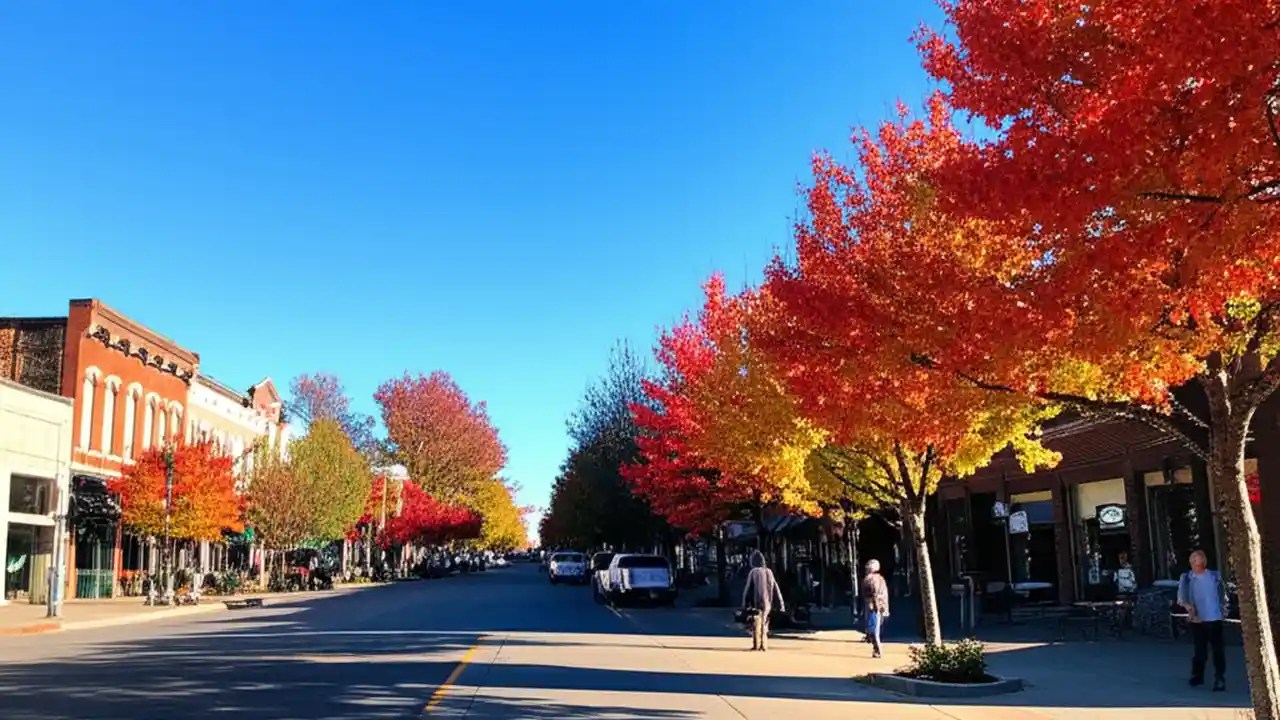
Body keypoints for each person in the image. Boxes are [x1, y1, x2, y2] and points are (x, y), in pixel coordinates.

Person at [1177, 549, 1228, 691]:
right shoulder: (1187, 578)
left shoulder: (1214, 576)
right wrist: (1189, 607)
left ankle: (1220, 678)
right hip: (1198, 619)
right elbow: (1181, 598)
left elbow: (1223, 595)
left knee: (1218, 651)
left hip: (1215, 618)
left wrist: (1224, 610)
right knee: (1200, 651)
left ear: (1203, 562)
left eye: (1195, 560)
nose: (1193, 562)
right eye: (1191, 560)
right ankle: (1197, 675)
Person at [741, 550, 785, 652]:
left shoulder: (753, 572)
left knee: (756, 624)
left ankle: (757, 645)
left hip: (756, 602)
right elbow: (776, 588)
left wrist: (744, 604)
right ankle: (764, 645)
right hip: (767, 602)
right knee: (764, 623)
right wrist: (780, 604)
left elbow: (748, 589)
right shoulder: (769, 572)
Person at [861, 559, 889, 658]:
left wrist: (876, 606)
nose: (866, 567)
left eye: (869, 565)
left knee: (873, 629)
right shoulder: (878, 578)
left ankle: (878, 649)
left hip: (874, 607)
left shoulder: (873, 579)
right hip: (875, 606)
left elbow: (875, 594)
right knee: (873, 628)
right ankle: (876, 648)